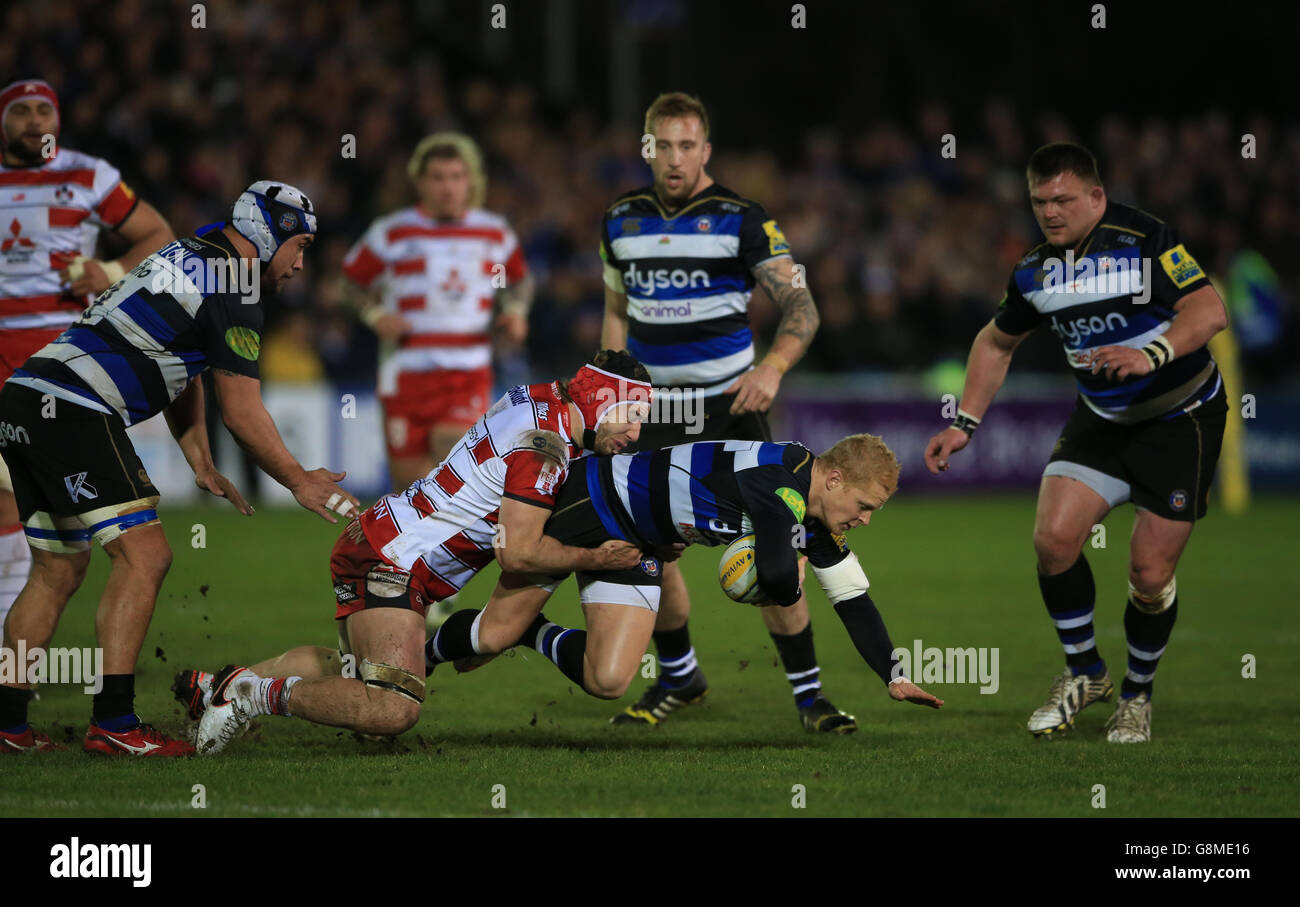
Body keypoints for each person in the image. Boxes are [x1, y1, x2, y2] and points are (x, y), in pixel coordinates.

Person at [0, 180, 359, 755]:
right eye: (301, 246)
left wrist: (198, 457)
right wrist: (299, 479)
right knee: (146, 556)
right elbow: (241, 411)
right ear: (270, 236)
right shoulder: (237, 286)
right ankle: (115, 726)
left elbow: (179, 362)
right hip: (76, 407)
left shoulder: (188, 253)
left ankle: (7, 725)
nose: (298, 265)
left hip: (24, 397)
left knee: (57, 570)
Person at [181, 352, 654, 754]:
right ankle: (248, 694)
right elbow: (519, 554)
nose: (636, 433)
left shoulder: (537, 397)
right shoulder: (545, 447)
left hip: (379, 539)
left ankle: (214, 687)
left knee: (347, 671)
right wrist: (598, 559)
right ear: (599, 398)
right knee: (392, 708)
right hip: (394, 563)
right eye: (632, 415)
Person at [924, 143, 1229, 743]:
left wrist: (1152, 352)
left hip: (1181, 418)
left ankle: (1137, 696)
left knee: (1147, 573)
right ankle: (1085, 673)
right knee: (1054, 541)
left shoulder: (1144, 239)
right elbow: (995, 343)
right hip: (1101, 420)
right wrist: (964, 423)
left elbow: (1209, 309)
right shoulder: (1034, 268)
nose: (1050, 212)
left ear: (1096, 195)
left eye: (1063, 199)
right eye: (1040, 202)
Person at [599, 92, 849, 732]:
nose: (676, 159)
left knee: (777, 550)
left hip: (729, 408)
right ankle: (680, 677)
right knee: (644, 552)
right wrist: (609, 392)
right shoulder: (620, 220)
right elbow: (617, 313)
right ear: (647, 148)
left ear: (705, 151)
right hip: (653, 414)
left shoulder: (741, 218)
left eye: (689, 146)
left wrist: (772, 368)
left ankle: (810, 697)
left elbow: (803, 307)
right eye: (664, 146)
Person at [425, 434, 943, 718]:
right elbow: (782, 575)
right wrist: (787, 577)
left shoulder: (811, 510)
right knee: (492, 633)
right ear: (833, 479)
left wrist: (893, 675)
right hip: (588, 503)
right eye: (864, 505)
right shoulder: (779, 485)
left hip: (635, 545)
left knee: (607, 681)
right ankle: (419, 655)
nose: (866, 519)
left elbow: (853, 598)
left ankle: (532, 632)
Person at [0, 78, 173, 632]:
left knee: (55, 543)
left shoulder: (88, 175)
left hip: (61, 366)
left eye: (42, 110)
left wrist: (111, 271)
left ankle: (12, 681)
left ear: (58, 119)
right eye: (20, 111)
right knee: (19, 520)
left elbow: (158, 235)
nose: (33, 121)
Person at [341, 133, 533, 492]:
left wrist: (516, 310)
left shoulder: (493, 233)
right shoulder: (392, 232)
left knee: (454, 462)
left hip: (466, 374)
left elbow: (519, 281)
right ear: (420, 182)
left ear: (471, 181)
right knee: (410, 492)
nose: (448, 187)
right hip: (405, 377)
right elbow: (349, 284)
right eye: (438, 177)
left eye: (457, 177)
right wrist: (376, 315)